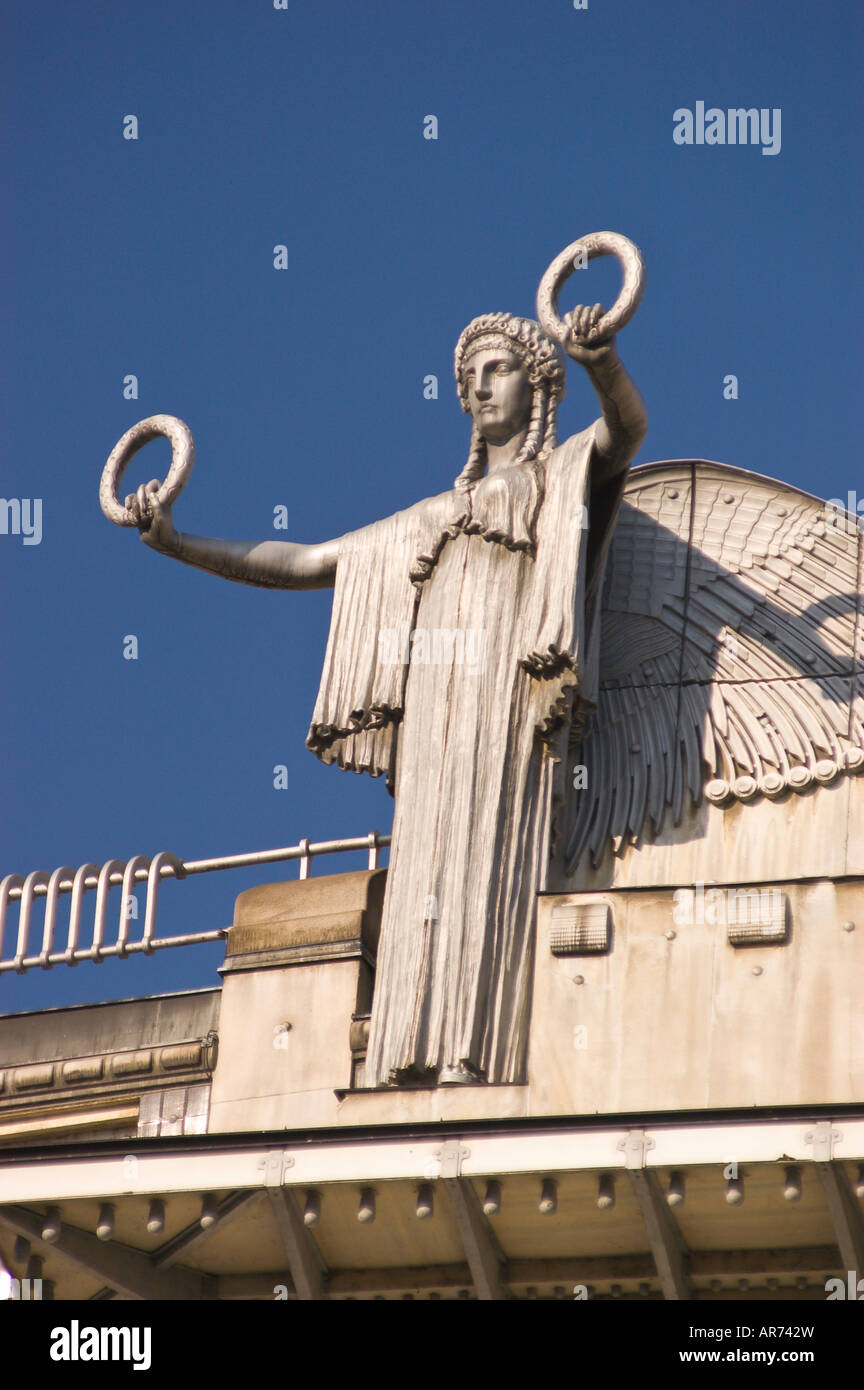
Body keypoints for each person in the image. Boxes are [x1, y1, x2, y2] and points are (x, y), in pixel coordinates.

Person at [126, 303, 646, 1086]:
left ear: (539, 386)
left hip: (503, 703)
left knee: (489, 848)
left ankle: (481, 1052)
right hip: (437, 707)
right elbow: (302, 562)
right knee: (429, 862)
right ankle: (409, 1051)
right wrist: (178, 541)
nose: (480, 387)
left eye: (497, 368)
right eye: (470, 378)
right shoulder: (425, 520)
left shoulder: (559, 476)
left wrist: (599, 359)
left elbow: (627, 431)